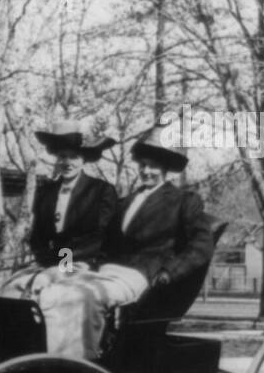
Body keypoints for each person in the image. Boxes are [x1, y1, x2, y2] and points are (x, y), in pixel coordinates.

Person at [37, 127, 214, 360]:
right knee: (54, 291)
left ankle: (82, 365)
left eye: (153, 166)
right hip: (107, 270)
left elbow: (202, 245)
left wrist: (170, 272)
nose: (146, 171)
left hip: (144, 274)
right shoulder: (124, 202)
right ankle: (53, 358)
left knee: (89, 296)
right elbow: (100, 242)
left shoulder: (183, 201)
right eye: (142, 165)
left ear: (165, 169)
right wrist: (76, 262)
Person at [0, 120, 117, 298]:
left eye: (73, 157)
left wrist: (63, 258)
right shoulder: (46, 192)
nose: (67, 162)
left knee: (47, 290)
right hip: (51, 261)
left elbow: (101, 235)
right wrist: (44, 257)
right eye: (62, 156)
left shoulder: (101, 190)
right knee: (11, 289)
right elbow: (38, 236)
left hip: (86, 261)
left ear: (83, 160)